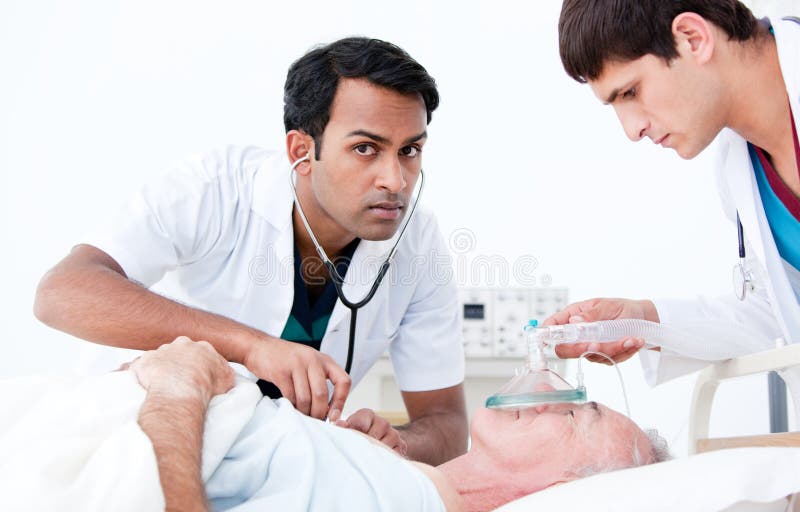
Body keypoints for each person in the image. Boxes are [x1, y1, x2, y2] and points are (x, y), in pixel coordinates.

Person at [32, 37, 467, 464]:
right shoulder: (214, 189)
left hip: (271, 469)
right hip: (137, 437)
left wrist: (399, 443)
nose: (396, 180)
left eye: (410, 150)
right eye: (365, 149)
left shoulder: (419, 245)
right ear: (301, 151)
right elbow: (62, 293)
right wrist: (250, 346)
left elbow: (446, 424)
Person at [551, 0, 800, 385]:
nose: (631, 130)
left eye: (631, 92)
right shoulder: (738, 169)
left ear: (693, 38)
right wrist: (644, 320)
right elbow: (785, 318)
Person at [131, 338, 667, 512]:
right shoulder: (400, 483)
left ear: (563, 494)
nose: (548, 388)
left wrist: (180, 389)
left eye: (577, 413)